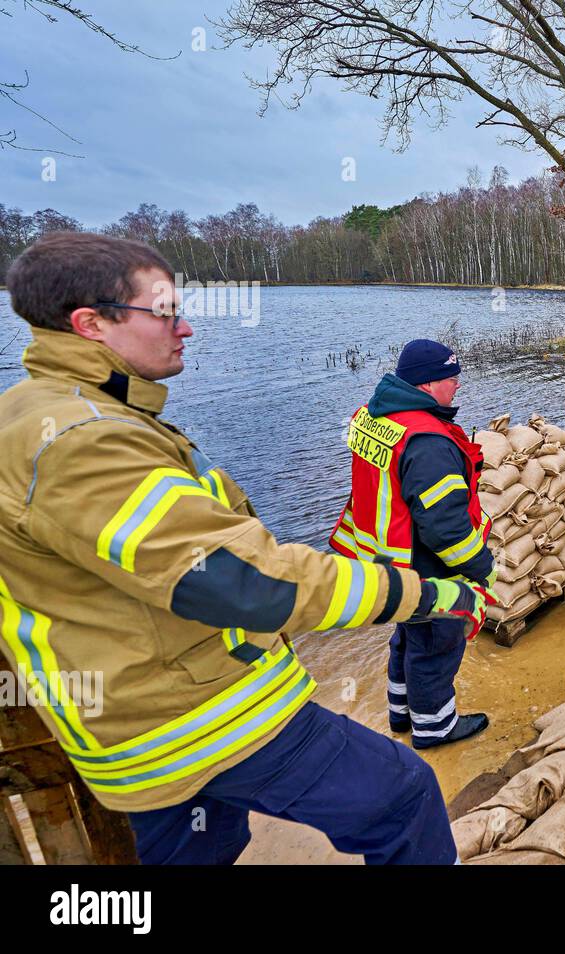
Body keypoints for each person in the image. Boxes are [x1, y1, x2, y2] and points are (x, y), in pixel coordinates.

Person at [0, 233, 488, 864]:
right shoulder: (79, 441)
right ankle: (431, 725)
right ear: (91, 324)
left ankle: (405, 712)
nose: (187, 328)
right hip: (191, 719)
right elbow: (241, 579)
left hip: (135, 721)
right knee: (402, 794)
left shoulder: (43, 413)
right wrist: (439, 588)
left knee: (211, 841)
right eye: (166, 311)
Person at [331, 340, 494, 747]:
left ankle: (400, 712)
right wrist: (478, 564)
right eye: (450, 378)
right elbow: (444, 527)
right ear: (425, 384)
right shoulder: (428, 443)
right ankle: (435, 727)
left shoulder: (375, 416)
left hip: (386, 556)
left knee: (407, 634)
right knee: (438, 643)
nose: (457, 385)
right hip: (423, 561)